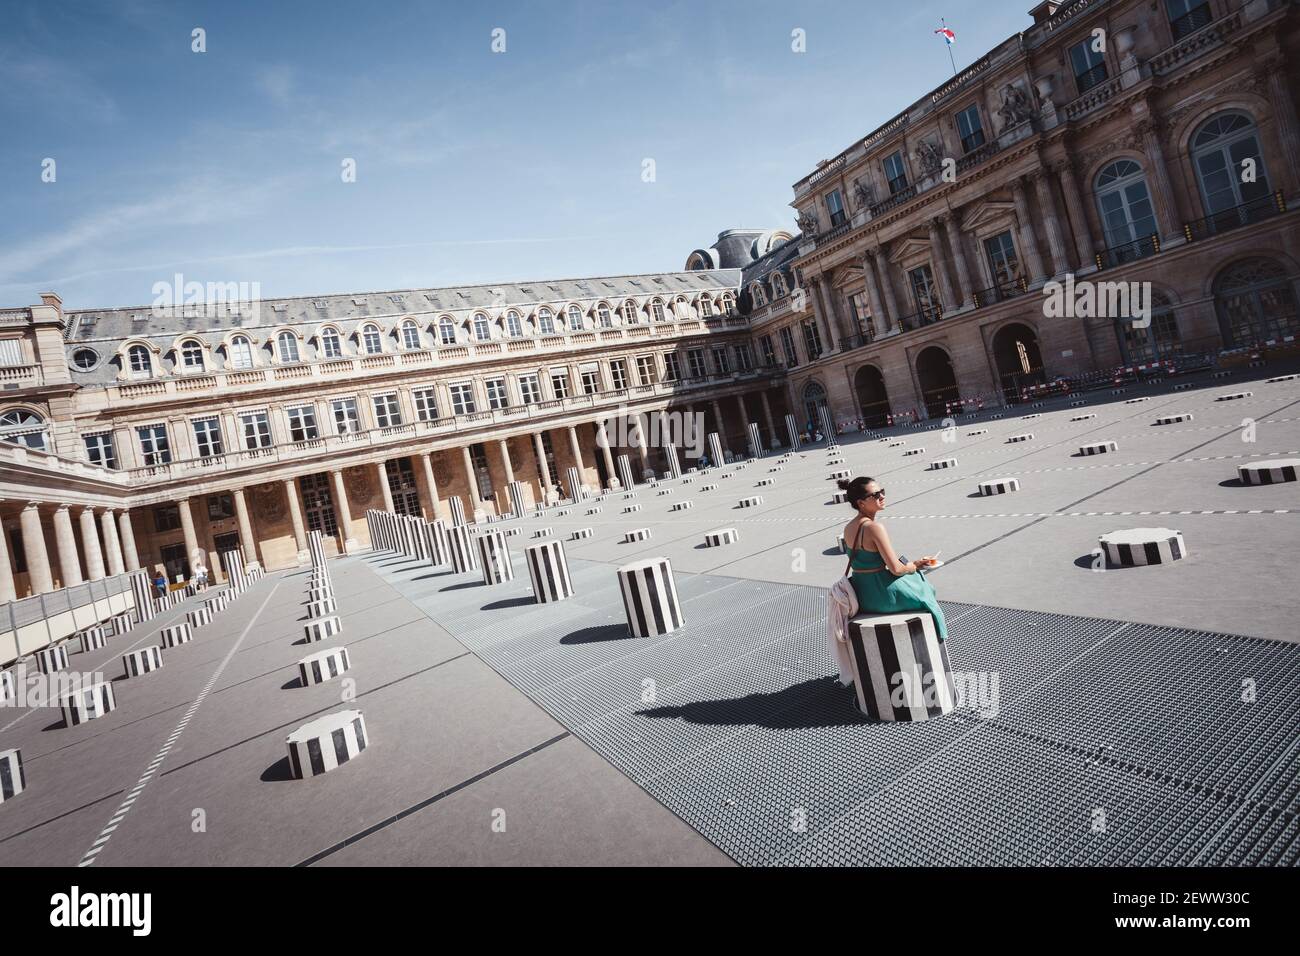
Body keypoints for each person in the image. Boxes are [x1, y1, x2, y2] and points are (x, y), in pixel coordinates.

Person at [838, 476, 947, 640]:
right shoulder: (874, 527)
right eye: (875, 495)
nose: (882, 496)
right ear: (861, 503)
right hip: (881, 594)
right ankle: (940, 636)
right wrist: (916, 565)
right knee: (923, 588)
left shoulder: (848, 528)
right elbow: (896, 569)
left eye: (882, 491)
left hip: (862, 593)